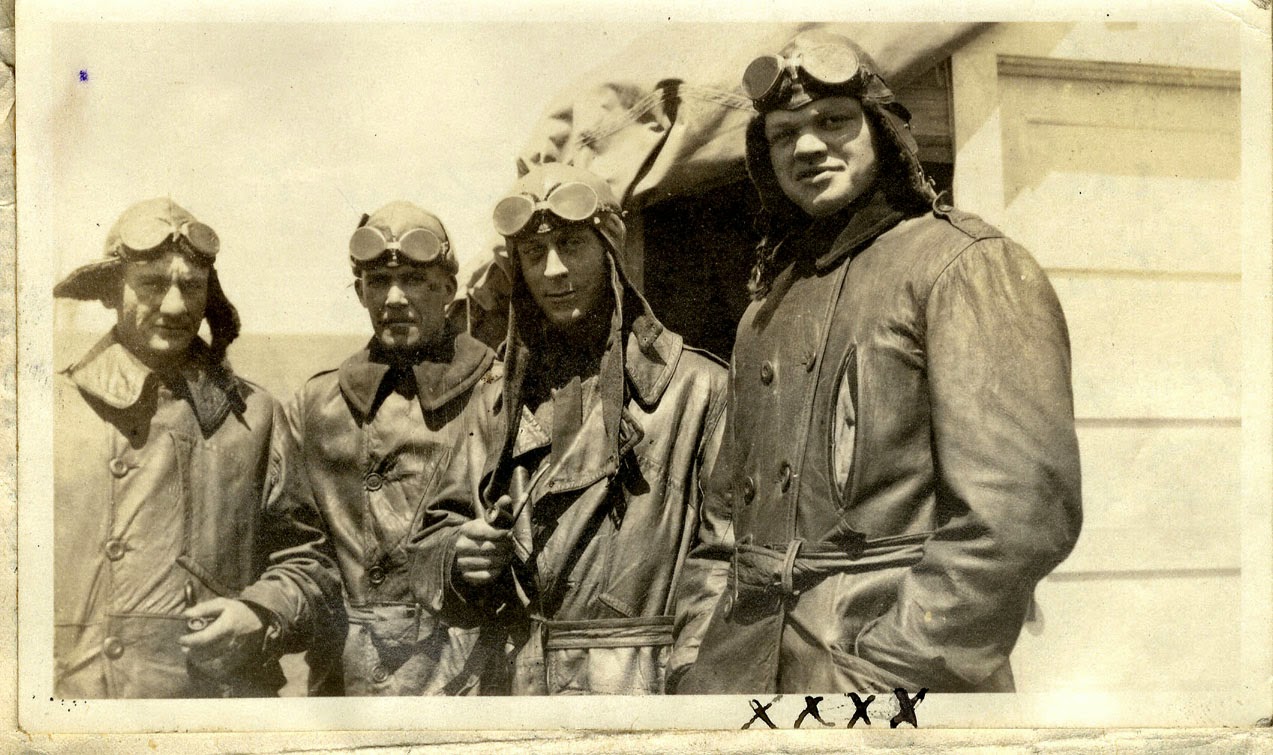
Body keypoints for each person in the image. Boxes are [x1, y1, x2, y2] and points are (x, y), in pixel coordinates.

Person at [676, 31, 1083, 694]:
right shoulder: (763, 312)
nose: (808, 146)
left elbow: (1015, 517)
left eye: (833, 121)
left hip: (886, 684)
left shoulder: (963, 265)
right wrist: (692, 664)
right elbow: (720, 529)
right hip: (743, 680)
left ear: (882, 131)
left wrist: (882, 672)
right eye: (784, 134)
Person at [431, 163, 729, 695]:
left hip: (641, 690)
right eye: (533, 253)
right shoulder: (495, 400)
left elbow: (725, 559)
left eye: (571, 244)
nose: (553, 270)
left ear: (610, 249)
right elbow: (437, 531)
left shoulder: (698, 389)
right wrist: (459, 555)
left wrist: (688, 684)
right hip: (518, 689)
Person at [52, 198, 341, 698]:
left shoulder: (254, 417)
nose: (174, 305)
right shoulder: (49, 410)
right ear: (111, 290)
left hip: (212, 705)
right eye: (151, 283)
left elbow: (311, 563)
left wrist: (258, 612)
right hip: (71, 705)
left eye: (191, 286)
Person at [285, 201, 505, 695]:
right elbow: (296, 549)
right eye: (379, 281)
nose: (395, 298)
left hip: (462, 677)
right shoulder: (316, 405)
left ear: (448, 289)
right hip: (344, 682)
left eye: (414, 280)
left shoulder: (497, 392)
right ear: (360, 291)